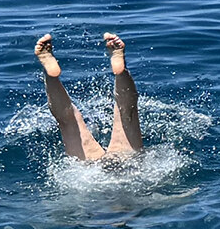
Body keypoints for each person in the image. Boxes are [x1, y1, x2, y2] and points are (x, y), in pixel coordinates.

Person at [35, 31, 146, 164]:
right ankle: (121, 72)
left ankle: (50, 76)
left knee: (68, 121)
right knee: (128, 113)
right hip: (128, 165)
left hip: (89, 170)